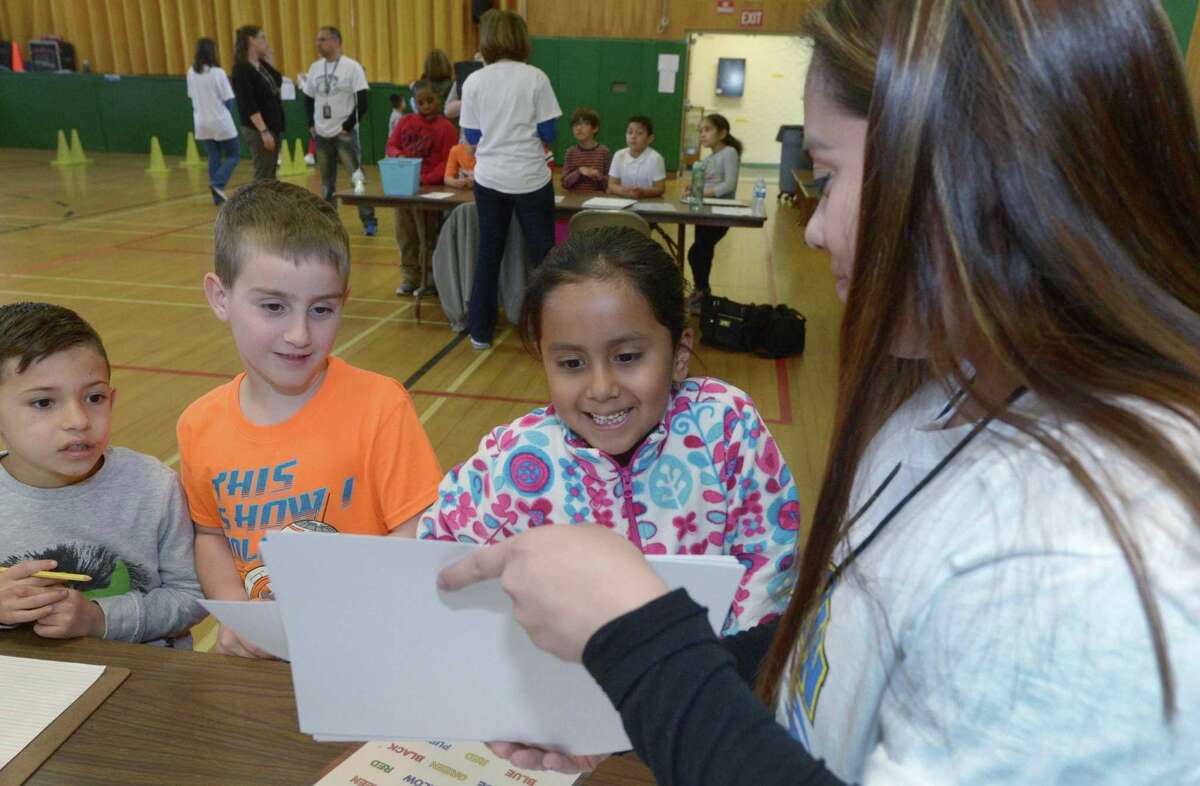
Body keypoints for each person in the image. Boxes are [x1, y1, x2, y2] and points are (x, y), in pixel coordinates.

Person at [437, 0, 1200, 782]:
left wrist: (641, 641)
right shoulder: (949, 399)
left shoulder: (1086, 570)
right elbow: (832, 646)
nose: (813, 227)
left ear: (968, 169)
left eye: (829, 174)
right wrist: (634, 707)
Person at [420, 226, 800, 635]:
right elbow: (433, 553)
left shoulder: (727, 428)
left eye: (627, 356)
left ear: (679, 354)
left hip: (703, 682)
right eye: (571, 364)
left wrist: (715, 673)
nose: (601, 389)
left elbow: (767, 564)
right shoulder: (516, 460)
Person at [179, 181, 442, 658]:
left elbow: (417, 532)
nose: (299, 334)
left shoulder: (381, 406)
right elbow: (211, 536)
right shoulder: (198, 424)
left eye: (321, 309)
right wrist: (237, 612)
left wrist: (360, 615)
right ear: (220, 297)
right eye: (274, 306)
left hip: (367, 650)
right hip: (260, 660)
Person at [0, 303, 204, 645]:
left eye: (94, 398)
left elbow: (190, 596)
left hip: (140, 680)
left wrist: (101, 619)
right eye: (44, 403)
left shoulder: (152, 486)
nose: (78, 420)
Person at [460, 9, 562, 351]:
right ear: (522, 39)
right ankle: (550, 332)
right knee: (543, 257)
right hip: (531, 177)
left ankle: (480, 332)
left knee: (489, 253)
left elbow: (472, 135)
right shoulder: (536, 78)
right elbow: (550, 131)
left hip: (489, 178)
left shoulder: (475, 80)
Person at [302, 26, 378, 237]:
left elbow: (362, 100)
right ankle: (329, 222)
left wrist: (347, 126)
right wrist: (311, 123)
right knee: (327, 182)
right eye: (317, 40)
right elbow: (308, 98)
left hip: (344, 134)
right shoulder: (315, 68)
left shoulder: (351, 67)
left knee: (357, 179)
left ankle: (369, 220)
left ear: (335, 41)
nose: (318, 44)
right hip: (322, 134)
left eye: (323, 39)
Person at [385, 80, 457, 295]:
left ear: (439, 100)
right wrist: (398, 156)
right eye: (421, 102)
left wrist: (424, 178)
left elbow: (448, 161)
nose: (426, 106)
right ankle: (410, 277)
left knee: (428, 237)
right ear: (414, 103)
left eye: (430, 101)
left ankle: (430, 278)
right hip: (404, 188)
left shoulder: (446, 128)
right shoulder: (405, 122)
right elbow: (391, 145)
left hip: (430, 190)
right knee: (405, 234)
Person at [686, 113, 742, 312]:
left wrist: (702, 192)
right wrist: (692, 189)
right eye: (700, 130)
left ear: (722, 133)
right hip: (705, 212)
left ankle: (702, 292)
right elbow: (704, 184)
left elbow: (729, 184)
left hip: (720, 213)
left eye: (707, 130)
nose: (702, 134)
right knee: (701, 252)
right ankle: (701, 292)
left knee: (698, 251)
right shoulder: (708, 158)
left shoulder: (729, 152)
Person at [186, 38, 239, 205]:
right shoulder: (218, 73)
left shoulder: (191, 72)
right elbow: (228, 99)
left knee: (213, 156)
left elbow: (191, 96)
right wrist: (226, 117)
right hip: (220, 120)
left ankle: (217, 197)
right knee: (233, 155)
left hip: (201, 121)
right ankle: (218, 183)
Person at [230, 25, 284, 183]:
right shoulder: (241, 69)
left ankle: (267, 206)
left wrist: (270, 61)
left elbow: (277, 82)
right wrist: (264, 131)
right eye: (262, 37)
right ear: (251, 40)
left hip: (272, 126)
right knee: (263, 174)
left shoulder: (260, 65)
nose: (266, 42)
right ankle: (257, 207)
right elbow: (248, 104)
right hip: (258, 129)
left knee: (270, 174)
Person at [607, 115, 666, 200]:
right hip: (623, 201)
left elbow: (660, 189)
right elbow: (612, 184)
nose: (633, 136)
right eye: (630, 132)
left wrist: (643, 192)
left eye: (639, 133)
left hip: (648, 202)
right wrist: (623, 191)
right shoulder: (619, 155)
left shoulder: (656, 158)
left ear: (650, 138)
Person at [560, 107, 611, 194]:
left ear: (595, 128)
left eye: (585, 124)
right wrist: (579, 172)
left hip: (597, 201)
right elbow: (565, 183)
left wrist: (598, 177)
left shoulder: (604, 152)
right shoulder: (570, 152)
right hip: (574, 203)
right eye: (575, 124)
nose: (579, 128)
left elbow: (610, 183)